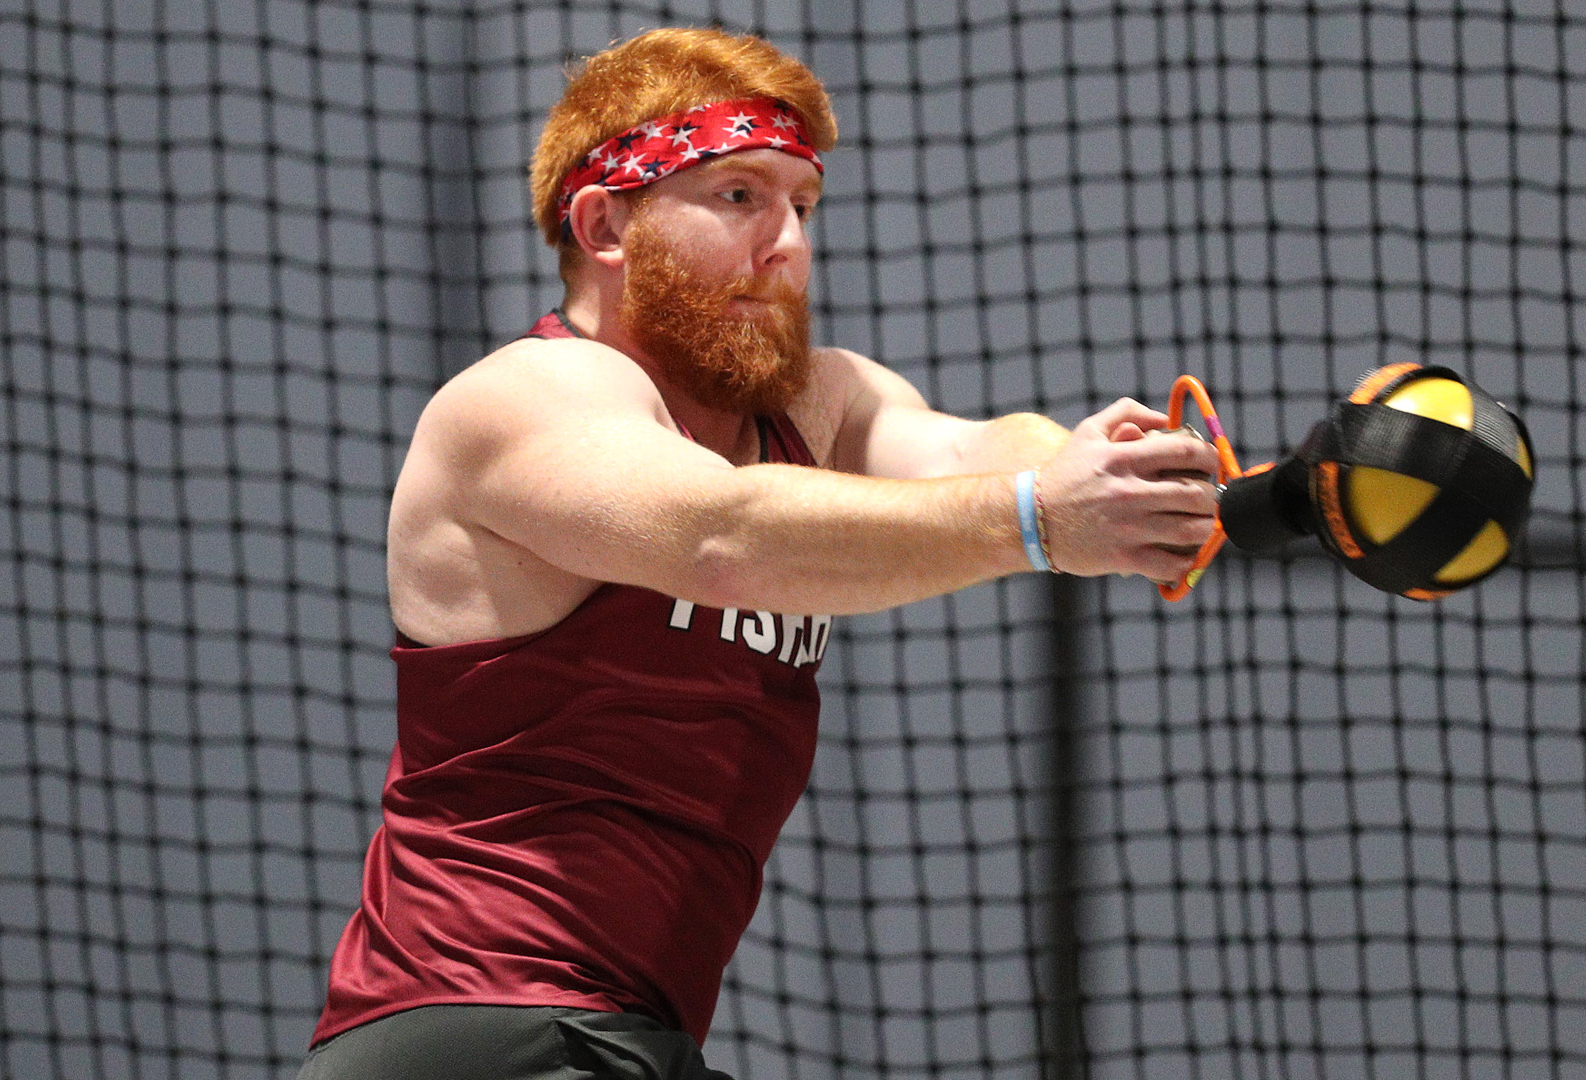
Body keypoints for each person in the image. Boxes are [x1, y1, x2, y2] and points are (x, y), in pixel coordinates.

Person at [298, 26, 1220, 1080]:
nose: (784, 241)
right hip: (477, 1032)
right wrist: (1039, 520)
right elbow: (723, 536)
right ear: (606, 223)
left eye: (801, 204)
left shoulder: (817, 404)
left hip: (618, 1039)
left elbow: (975, 450)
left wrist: (1126, 478)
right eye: (738, 196)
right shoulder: (525, 399)